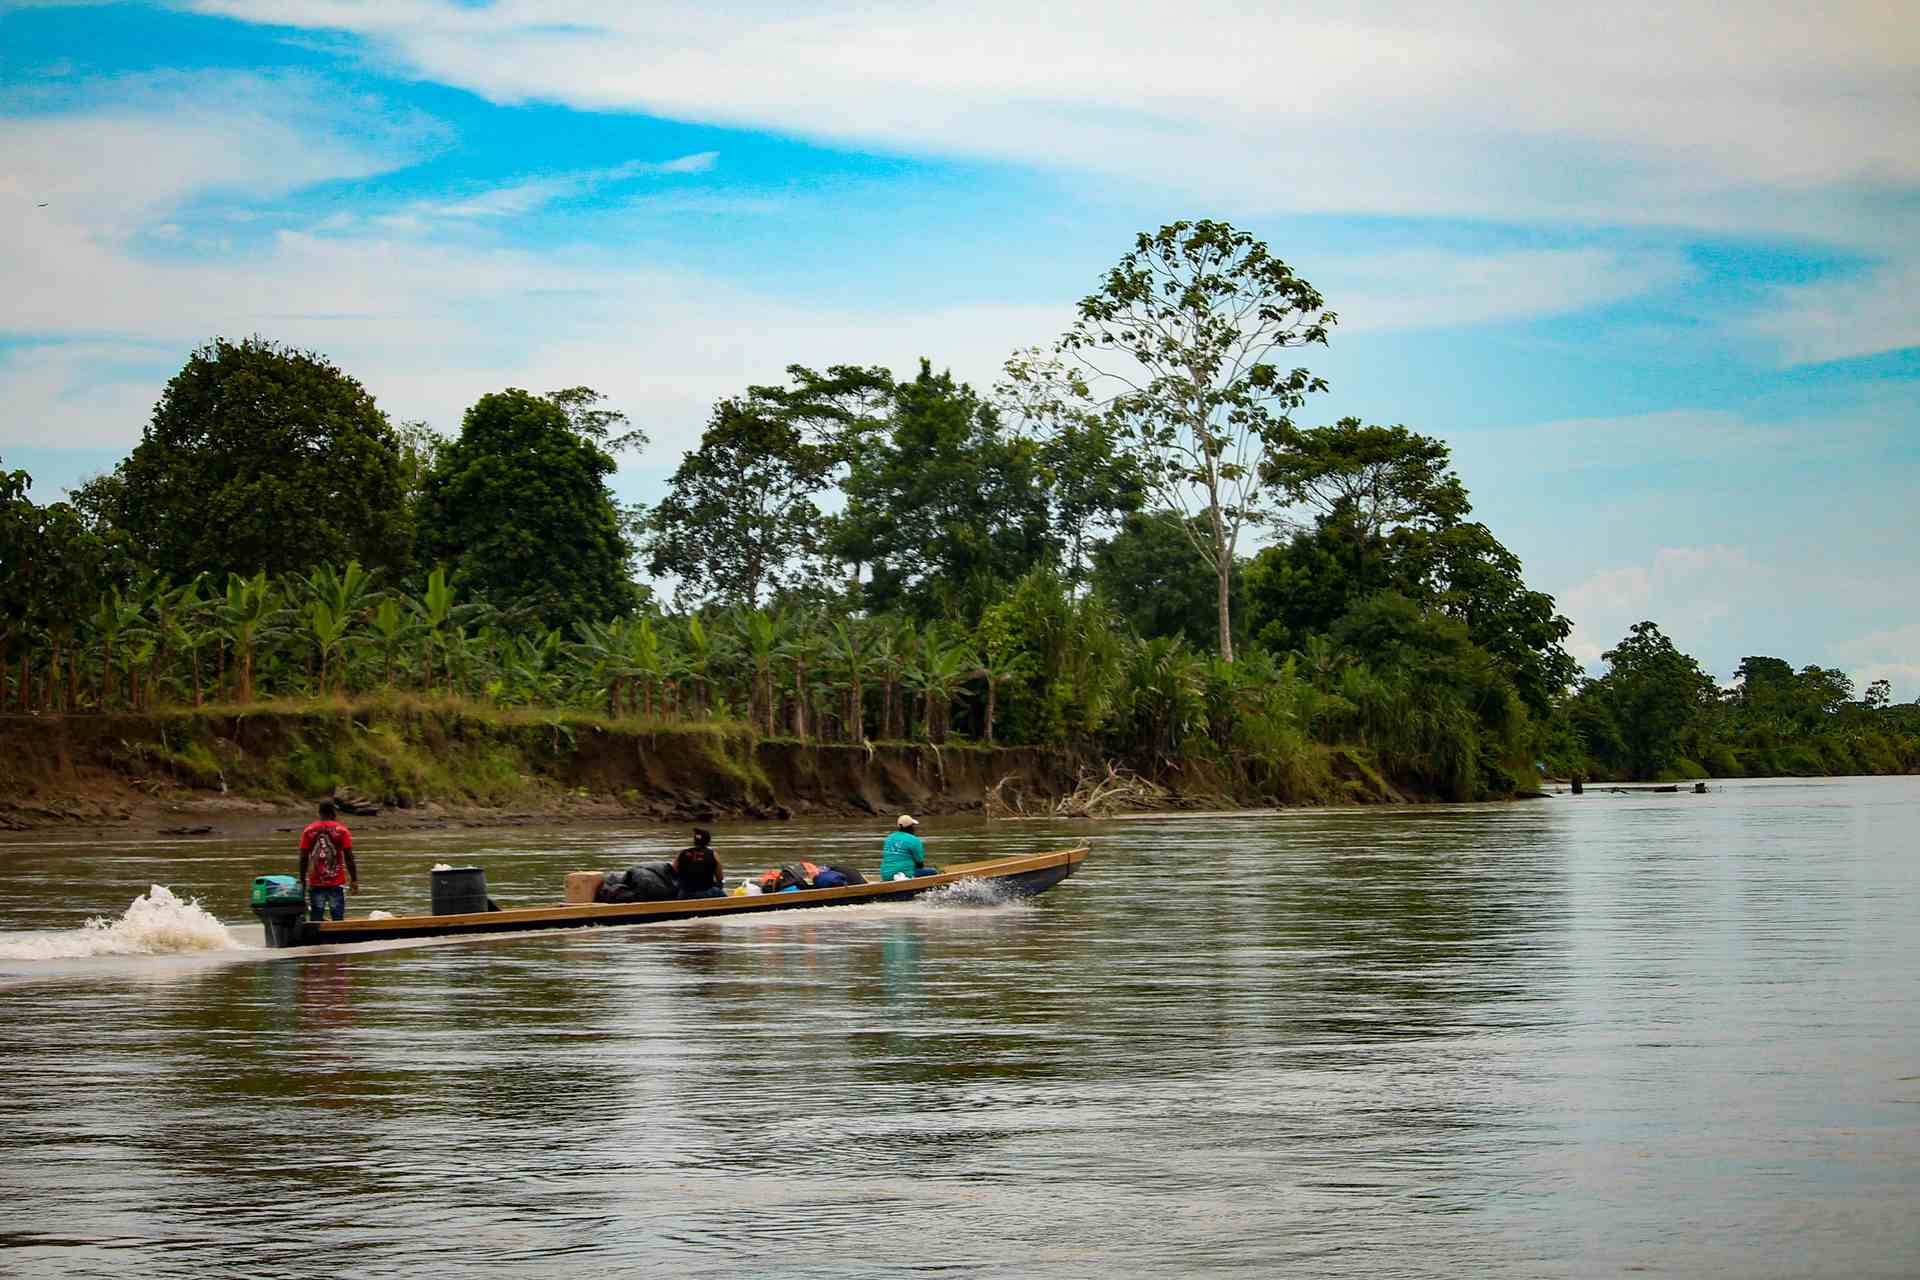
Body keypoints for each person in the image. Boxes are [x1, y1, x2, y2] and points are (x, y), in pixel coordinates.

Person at [298, 799, 359, 921]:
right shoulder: (342, 831)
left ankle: (316, 938)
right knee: (337, 920)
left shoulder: (308, 830)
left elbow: (303, 857)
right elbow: (349, 857)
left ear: (319, 813)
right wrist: (354, 880)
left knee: (315, 919)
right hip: (336, 883)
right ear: (333, 813)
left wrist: (302, 881)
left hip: (316, 882)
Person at [671, 827, 726, 899]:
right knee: (723, 895)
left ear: (694, 841)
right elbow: (720, 878)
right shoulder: (713, 854)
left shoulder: (682, 853)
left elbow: (672, 872)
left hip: (685, 894)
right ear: (708, 841)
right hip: (707, 892)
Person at [880, 814, 938, 880]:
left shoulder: (889, 838)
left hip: (885, 875)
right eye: (913, 826)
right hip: (905, 875)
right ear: (911, 827)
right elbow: (920, 863)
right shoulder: (914, 840)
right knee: (933, 872)